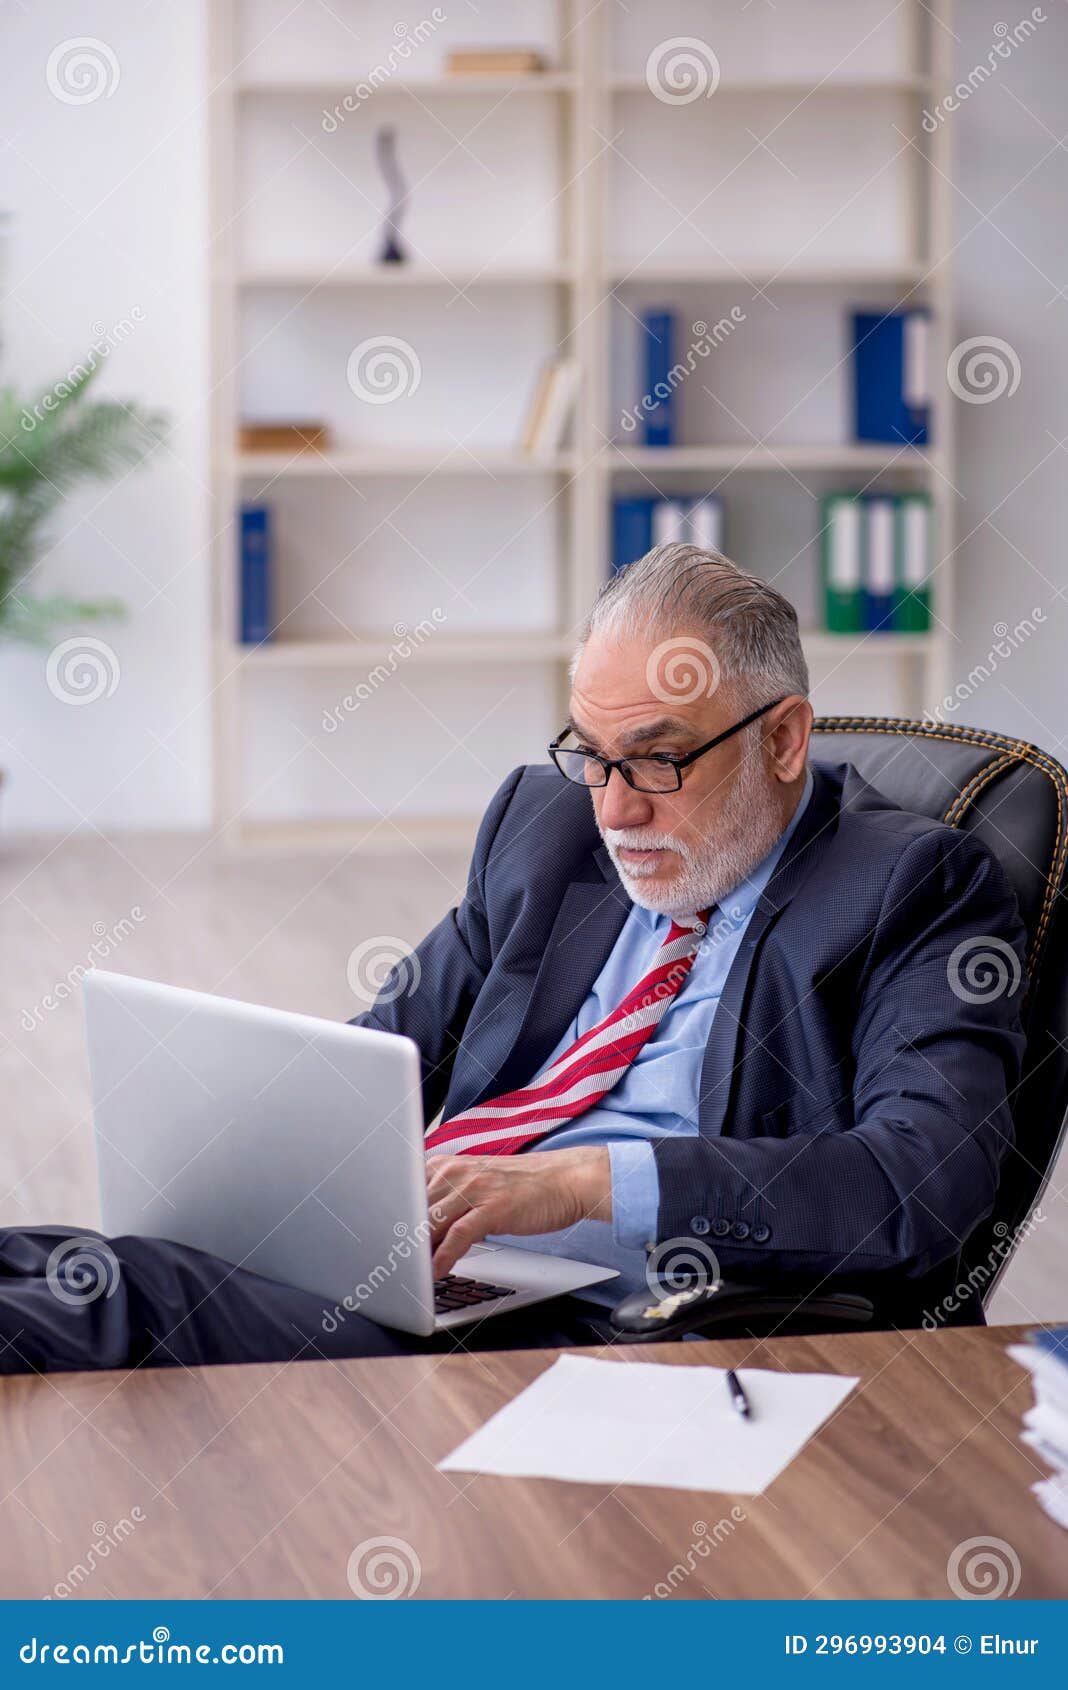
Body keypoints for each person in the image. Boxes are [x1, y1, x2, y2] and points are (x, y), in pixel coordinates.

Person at [0, 545, 1027, 1374]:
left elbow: (920, 1182)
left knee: (114, 1303)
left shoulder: (912, 887)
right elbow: (382, 1051)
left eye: (661, 760)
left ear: (785, 740)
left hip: (612, 1330)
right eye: (592, 754)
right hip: (448, 1269)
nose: (617, 808)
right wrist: (265, 1156)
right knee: (56, 1265)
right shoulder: (548, 830)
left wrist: (586, 1182)